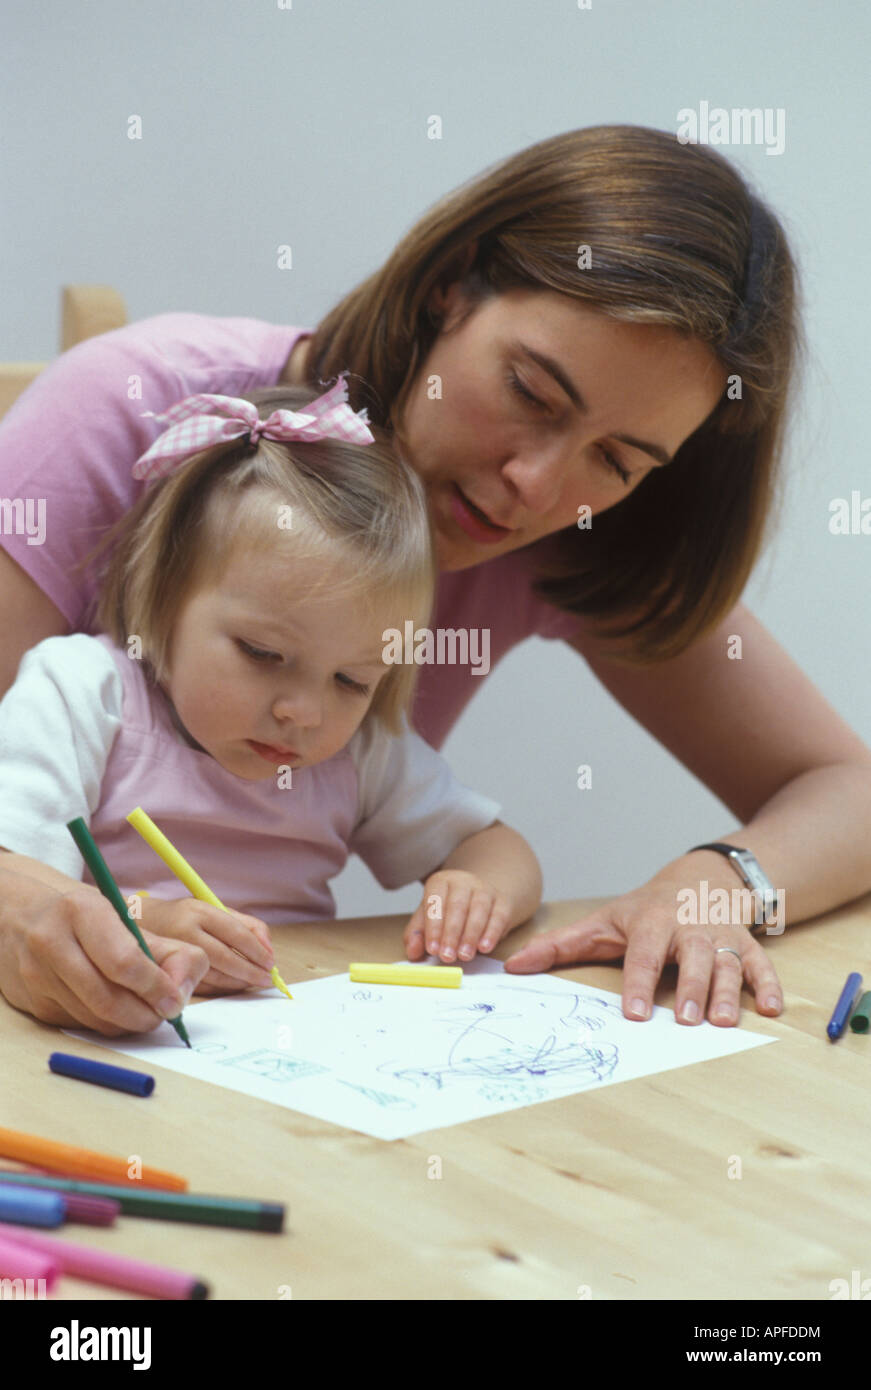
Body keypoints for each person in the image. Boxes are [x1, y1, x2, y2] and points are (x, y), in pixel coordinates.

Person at [2, 124, 870, 1035]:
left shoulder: (576, 537)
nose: (536, 486)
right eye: (532, 393)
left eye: (617, 459)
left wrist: (711, 883)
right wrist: (74, 918)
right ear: (447, 285)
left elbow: (846, 792)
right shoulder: (132, 416)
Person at [0, 377, 542, 1035]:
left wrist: (478, 889)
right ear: (165, 598)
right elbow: (19, 882)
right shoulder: (84, 692)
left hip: (280, 1047)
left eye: (351, 680)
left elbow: (493, 846)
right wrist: (151, 919)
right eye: (263, 653)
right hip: (102, 1040)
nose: (304, 712)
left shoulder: (358, 749)